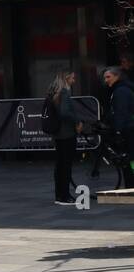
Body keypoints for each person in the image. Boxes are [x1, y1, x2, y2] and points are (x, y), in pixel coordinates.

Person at [47, 71, 83, 204]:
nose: (74, 81)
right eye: (73, 78)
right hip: (66, 133)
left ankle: (60, 194)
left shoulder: (53, 92)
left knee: (60, 165)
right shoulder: (64, 93)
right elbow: (65, 112)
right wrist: (77, 121)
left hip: (58, 134)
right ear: (66, 78)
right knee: (66, 165)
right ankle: (65, 195)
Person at [100, 66, 134, 188]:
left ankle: (130, 186)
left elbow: (120, 112)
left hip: (127, 129)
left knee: (127, 158)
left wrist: (118, 131)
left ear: (117, 76)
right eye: (104, 78)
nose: (106, 80)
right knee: (130, 158)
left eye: (108, 77)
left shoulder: (120, 91)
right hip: (129, 127)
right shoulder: (123, 89)